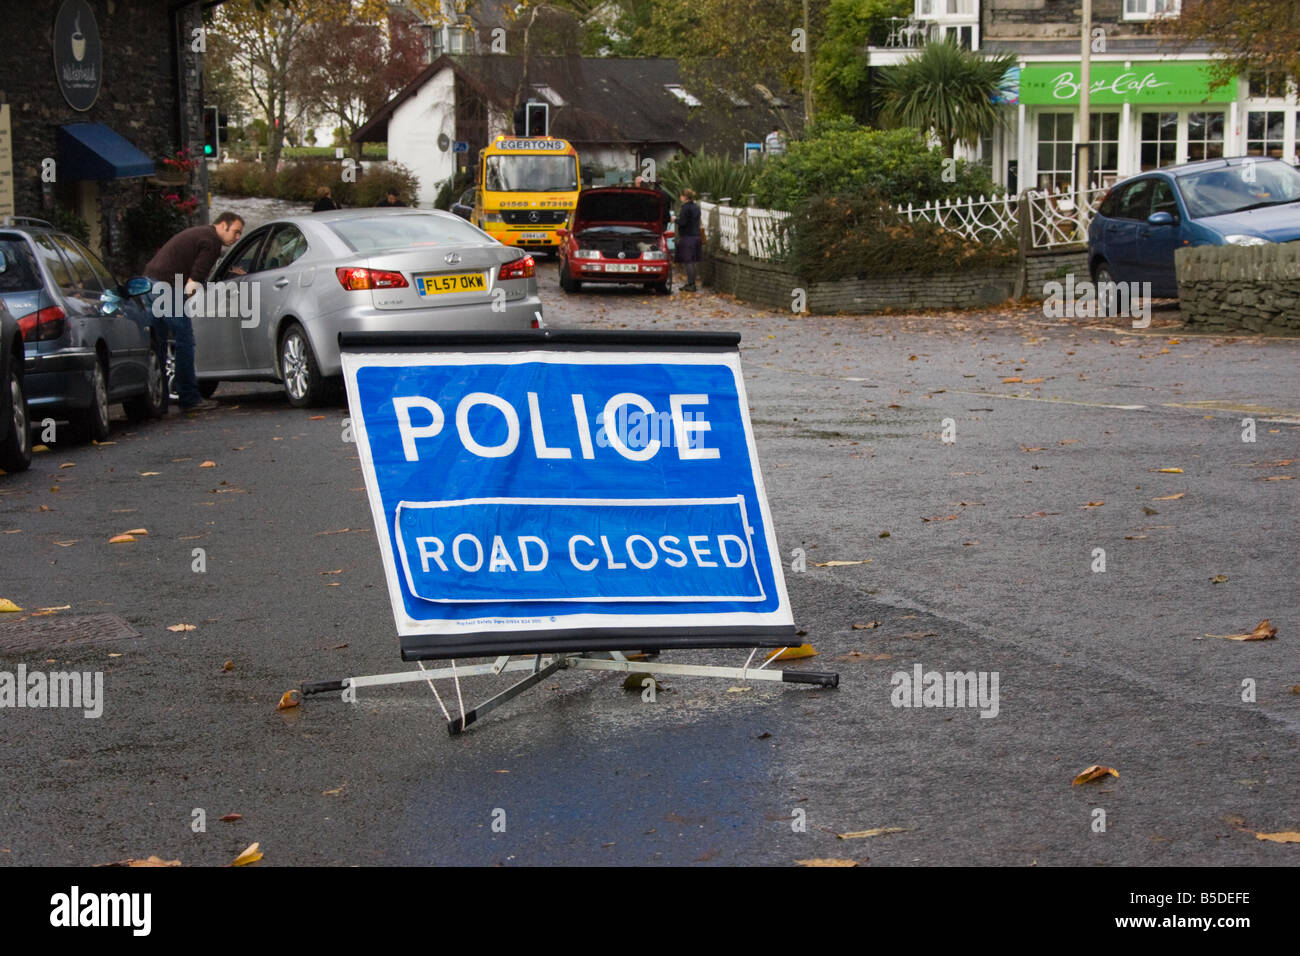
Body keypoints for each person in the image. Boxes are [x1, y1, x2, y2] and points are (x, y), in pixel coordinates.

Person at [144, 212, 244, 412]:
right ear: (223, 225)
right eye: (236, 232)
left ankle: (159, 402)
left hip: (149, 283)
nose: (237, 238)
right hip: (167, 287)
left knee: (158, 346)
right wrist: (186, 299)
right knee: (185, 341)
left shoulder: (200, 234)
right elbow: (194, 280)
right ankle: (189, 398)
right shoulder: (212, 242)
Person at [675, 188, 702, 292]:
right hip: (696, 236)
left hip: (687, 237)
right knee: (693, 261)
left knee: (688, 261)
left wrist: (675, 220)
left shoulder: (685, 208)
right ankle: (692, 283)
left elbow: (683, 222)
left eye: (681, 196)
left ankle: (691, 284)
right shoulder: (696, 207)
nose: (680, 197)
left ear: (684, 197)